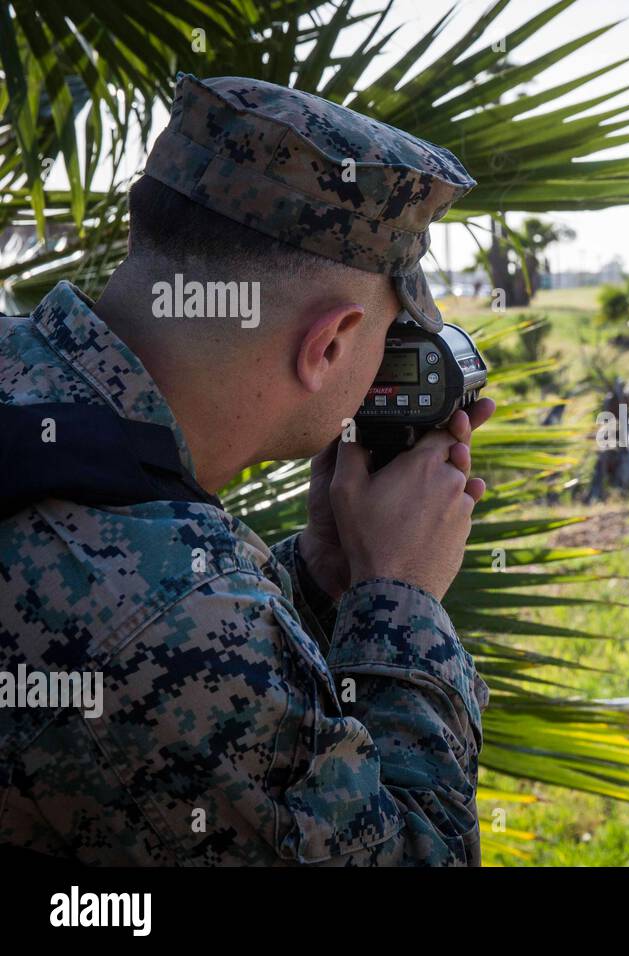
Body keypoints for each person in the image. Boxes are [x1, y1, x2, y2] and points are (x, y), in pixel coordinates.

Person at [0, 74, 494, 865]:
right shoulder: (159, 612)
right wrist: (399, 601)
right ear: (329, 344)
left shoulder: (47, 416)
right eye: (387, 342)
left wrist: (324, 579)